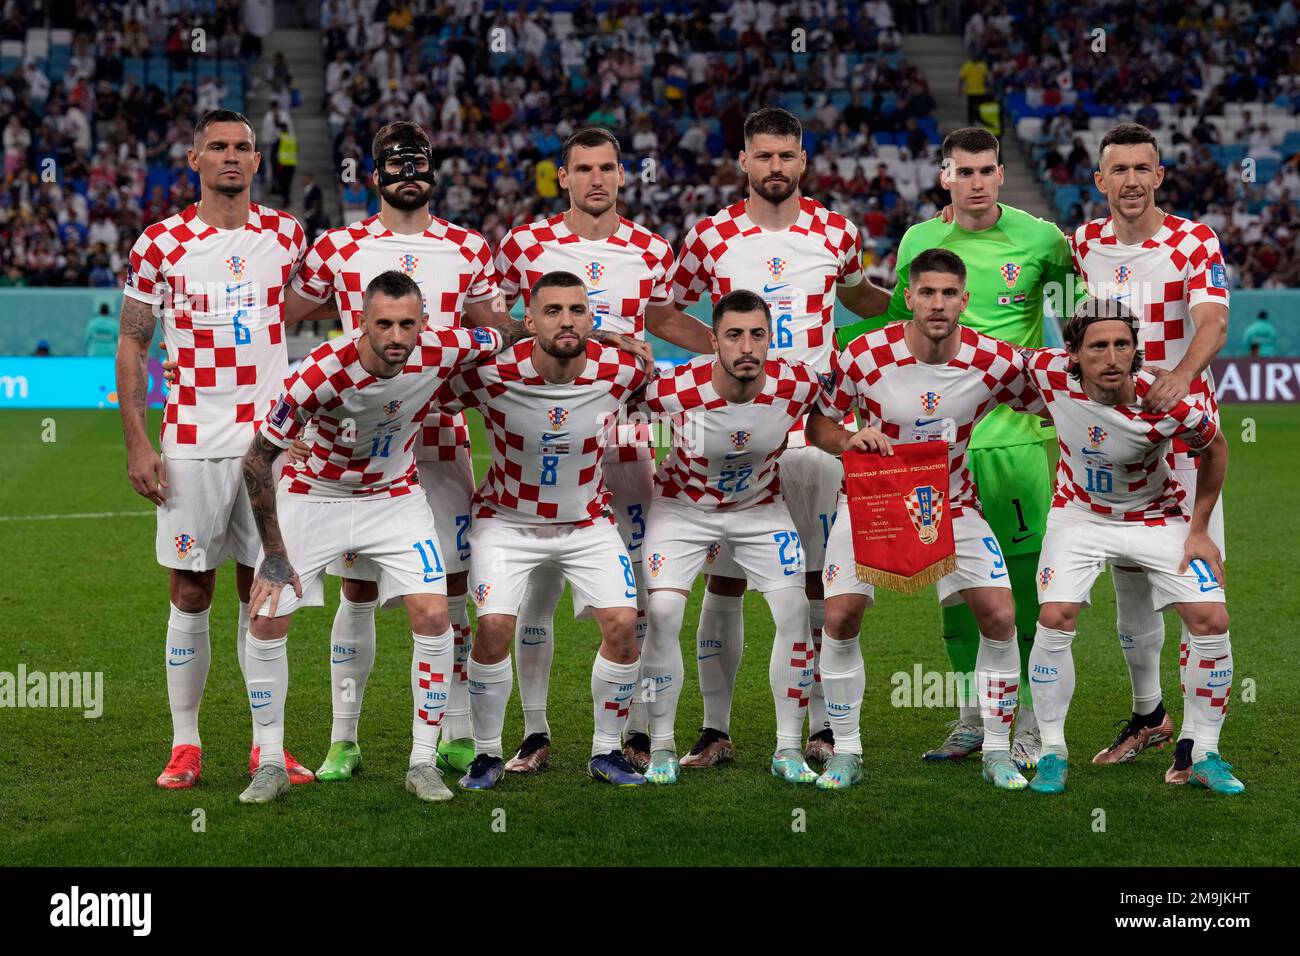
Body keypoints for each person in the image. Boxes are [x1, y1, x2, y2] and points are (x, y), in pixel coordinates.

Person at [838, 127, 1079, 771]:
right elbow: (893, 330)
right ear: (945, 177)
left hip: (1015, 441)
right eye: (963, 171)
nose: (975, 181)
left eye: (987, 170)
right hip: (930, 450)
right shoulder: (921, 240)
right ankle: (974, 713)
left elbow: (1084, 321)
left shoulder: (1043, 240)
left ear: (1002, 174)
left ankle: (1025, 720)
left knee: (1020, 589)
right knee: (951, 585)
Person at [667, 106, 891, 771]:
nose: (774, 167)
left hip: (816, 432)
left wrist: (908, 293)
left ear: (803, 161)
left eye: (785, 156)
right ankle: (714, 730)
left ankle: (821, 726)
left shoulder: (837, 233)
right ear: (744, 161)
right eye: (762, 156)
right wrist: (717, 352)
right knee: (725, 583)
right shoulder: (709, 236)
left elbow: (860, 299)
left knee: (819, 583)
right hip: (740, 432)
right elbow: (666, 308)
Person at [236, 270, 508, 804]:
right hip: (315, 496)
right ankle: (269, 761)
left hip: (394, 498)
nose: (396, 337)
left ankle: (422, 762)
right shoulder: (318, 373)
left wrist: (603, 338)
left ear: (424, 323)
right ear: (361, 322)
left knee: (434, 615)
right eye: (383, 324)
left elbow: (509, 332)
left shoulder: (444, 347)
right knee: (266, 617)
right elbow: (256, 461)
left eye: (407, 324)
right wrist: (272, 553)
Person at [494, 126, 713, 775]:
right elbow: (508, 326)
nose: (596, 179)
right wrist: (591, 346)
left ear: (622, 176)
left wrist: (728, 349)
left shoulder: (649, 248)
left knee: (641, 586)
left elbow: (667, 320)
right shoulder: (525, 245)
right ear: (562, 176)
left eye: (607, 168)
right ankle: (534, 733)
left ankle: (634, 731)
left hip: (626, 434)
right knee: (537, 585)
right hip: (546, 433)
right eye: (583, 168)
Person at [117, 109, 318, 791]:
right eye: (218, 148)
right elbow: (133, 343)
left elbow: (315, 306)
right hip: (192, 444)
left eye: (243, 148)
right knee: (191, 590)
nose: (231, 158)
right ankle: (186, 743)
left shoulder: (287, 235)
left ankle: (270, 749)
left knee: (266, 592)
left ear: (258, 162)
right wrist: (139, 441)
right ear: (195, 158)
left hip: (270, 445)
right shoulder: (160, 243)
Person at [807, 248, 1047, 791]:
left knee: (1000, 617)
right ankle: (847, 752)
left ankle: (997, 750)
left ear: (965, 299)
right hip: (871, 503)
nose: (937, 304)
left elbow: (1052, 398)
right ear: (908, 298)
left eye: (948, 294)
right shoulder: (863, 354)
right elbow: (819, 426)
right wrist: (849, 438)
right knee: (840, 618)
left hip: (954, 504)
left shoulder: (994, 361)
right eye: (926, 293)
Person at [433, 271, 651, 790]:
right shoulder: (491, 375)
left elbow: (679, 408)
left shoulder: (621, 371)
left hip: (586, 522)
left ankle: (605, 751)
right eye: (552, 310)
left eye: (577, 310)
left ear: (592, 319)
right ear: (528, 321)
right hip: (506, 522)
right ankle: (487, 754)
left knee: (624, 626)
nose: (566, 320)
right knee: (494, 629)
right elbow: (422, 397)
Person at [1020, 298, 1241, 795]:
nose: (1113, 356)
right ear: (1073, 353)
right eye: (1099, 346)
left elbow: (1218, 448)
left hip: (1156, 516)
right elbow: (980, 353)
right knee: (1055, 616)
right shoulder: (1049, 373)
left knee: (1213, 621)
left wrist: (1200, 528)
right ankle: (1052, 752)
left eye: (1124, 344)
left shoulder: (1164, 401)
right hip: (1079, 516)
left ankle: (1205, 752)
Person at [1069, 123, 1231, 781]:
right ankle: (1150, 716)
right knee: (1130, 584)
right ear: (1101, 181)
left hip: (1185, 438)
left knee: (1200, 590)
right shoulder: (1081, 244)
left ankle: (1201, 746)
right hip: (1114, 445)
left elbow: (1213, 321)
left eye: (1143, 168)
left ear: (1159, 176)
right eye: (1119, 170)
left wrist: (1181, 377)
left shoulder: (1194, 240)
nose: (1131, 180)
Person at [635, 289, 827, 786]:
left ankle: (788, 748)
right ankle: (660, 747)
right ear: (714, 341)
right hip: (681, 511)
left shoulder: (798, 383)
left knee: (795, 612)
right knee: (662, 614)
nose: (747, 347)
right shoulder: (672, 389)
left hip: (761, 509)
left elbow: (833, 416)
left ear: (771, 339)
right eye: (734, 336)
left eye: (757, 335)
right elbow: (606, 406)